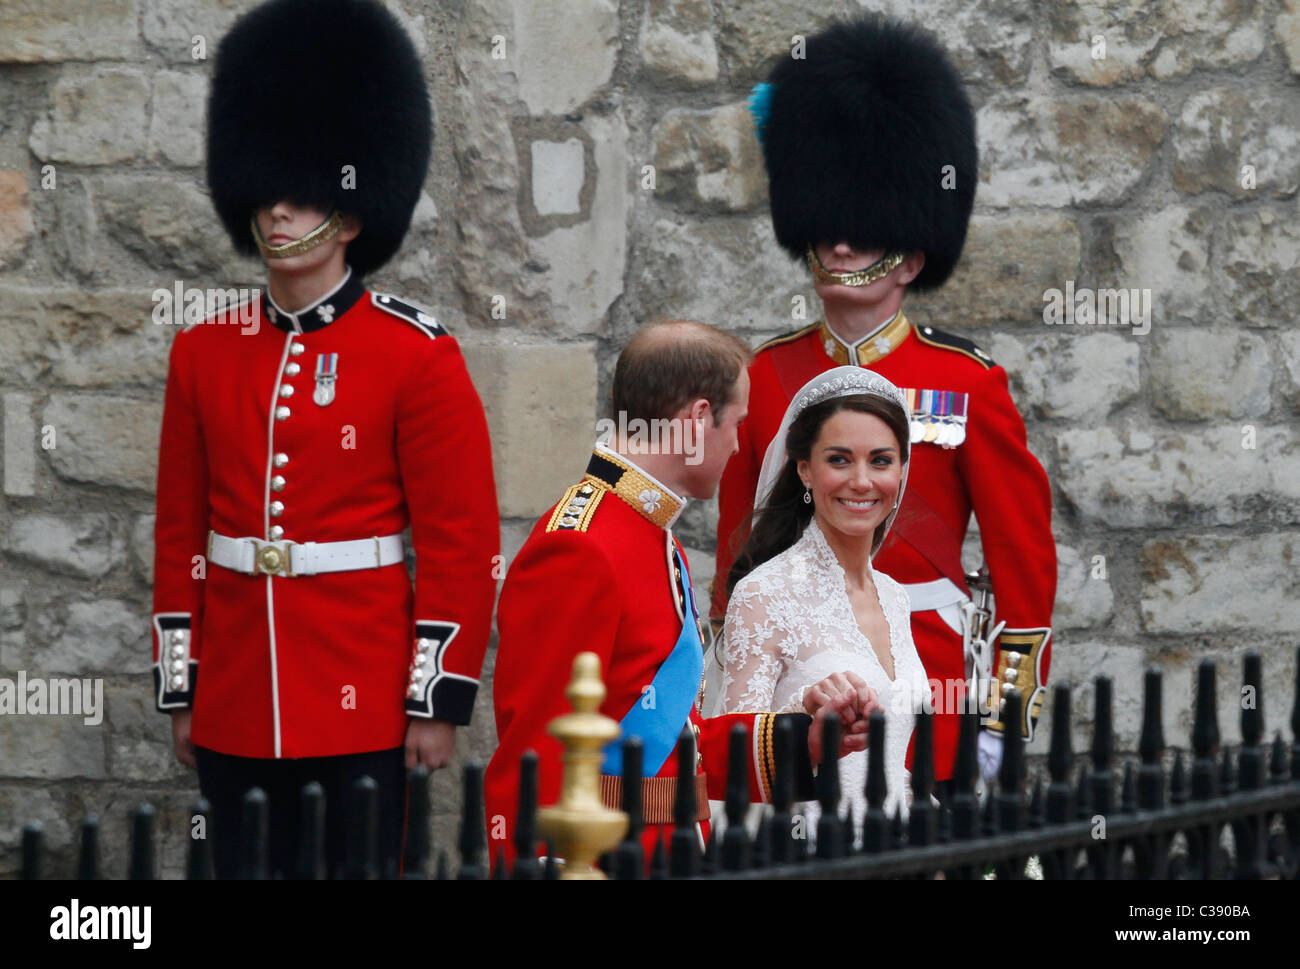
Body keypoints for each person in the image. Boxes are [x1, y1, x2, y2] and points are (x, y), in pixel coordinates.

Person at [151, 0, 499, 878]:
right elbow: (179, 534)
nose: (274, 213)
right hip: (235, 694)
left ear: (349, 216)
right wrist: (183, 684)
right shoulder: (203, 352)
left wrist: (436, 700)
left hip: (363, 699)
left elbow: (458, 543)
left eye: (299, 195)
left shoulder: (416, 356)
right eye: (264, 193)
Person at [713, 14, 1056, 787]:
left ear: (909, 255)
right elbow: (739, 555)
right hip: (796, 697)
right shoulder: (763, 374)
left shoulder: (969, 382)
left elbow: (1022, 566)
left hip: (927, 686)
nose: (838, 244)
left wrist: (1000, 716)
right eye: (827, 224)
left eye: (862, 231)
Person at [484, 321, 880, 870]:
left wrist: (801, 740)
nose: (740, 443)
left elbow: (671, 741)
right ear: (697, 420)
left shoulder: (642, 528)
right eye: (737, 424)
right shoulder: (581, 547)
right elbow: (537, 757)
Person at [720, 367, 930, 833]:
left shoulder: (896, 598)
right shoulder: (764, 593)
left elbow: (891, 753)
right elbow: (730, 763)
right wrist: (802, 712)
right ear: (804, 470)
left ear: (901, 470)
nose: (861, 481)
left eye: (880, 461)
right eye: (839, 460)